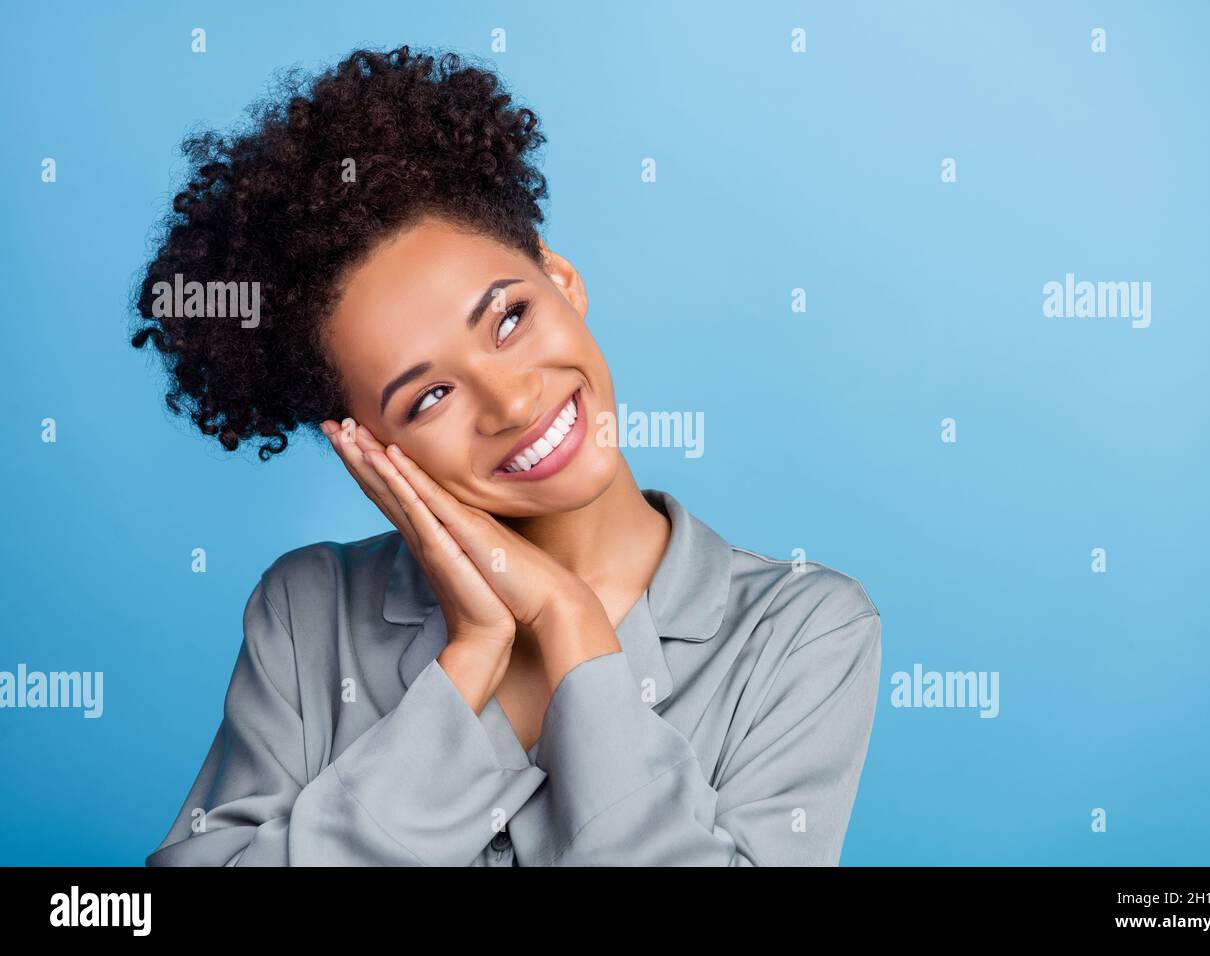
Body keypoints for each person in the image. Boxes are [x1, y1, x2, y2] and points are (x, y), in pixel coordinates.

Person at [133, 45, 883, 866]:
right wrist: (468, 662)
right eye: (428, 398)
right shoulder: (308, 613)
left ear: (560, 277)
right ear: (368, 446)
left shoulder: (803, 631)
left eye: (510, 319)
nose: (516, 403)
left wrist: (569, 626)